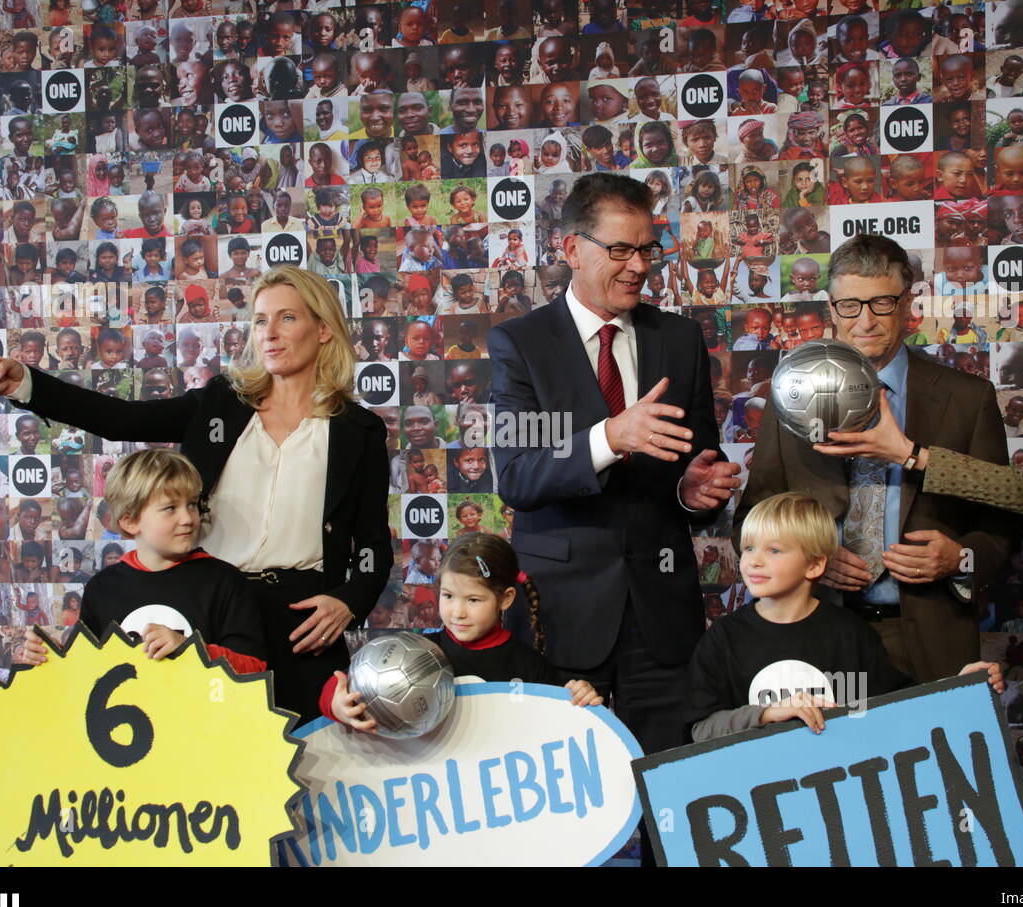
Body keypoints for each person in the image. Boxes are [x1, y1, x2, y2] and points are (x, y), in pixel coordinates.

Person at [0, 268, 392, 720]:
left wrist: (350, 601)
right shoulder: (221, 404)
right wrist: (28, 385)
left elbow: (373, 545)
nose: (269, 334)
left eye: (287, 319)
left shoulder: (358, 431)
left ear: (324, 329)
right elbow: (121, 420)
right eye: (259, 321)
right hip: (209, 608)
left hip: (304, 623)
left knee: (308, 765)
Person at [488, 173, 741, 765]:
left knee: (671, 794)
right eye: (619, 249)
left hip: (664, 617)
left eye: (647, 249)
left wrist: (697, 490)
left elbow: (696, 461)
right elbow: (520, 475)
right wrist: (609, 437)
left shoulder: (677, 339)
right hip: (562, 617)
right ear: (571, 248)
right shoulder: (522, 345)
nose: (638, 267)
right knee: (564, 809)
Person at [740, 234, 1023, 683]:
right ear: (831, 307)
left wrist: (961, 559)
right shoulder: (790, 396)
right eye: (850, 305)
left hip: (932, 637)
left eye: (882, 304)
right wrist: (805, 558)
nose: (865, 321)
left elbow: (1004, 523)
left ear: (908, 303)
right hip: (818, 630)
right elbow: (756, 512)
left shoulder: (967, 399)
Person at [686, 493, 1003, 742]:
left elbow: (896, 712)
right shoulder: (723, 639)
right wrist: (767, 713)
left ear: (814, 566)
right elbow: (701, 730)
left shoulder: (850, 633)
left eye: (774, 550)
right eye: (749, 548)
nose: (753, 561)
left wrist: (959, 687)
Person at [321, 533, 603, 729]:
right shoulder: (415, 653)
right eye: (448, 596)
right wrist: (336, 703)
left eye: (473, 600)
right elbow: (344, 686)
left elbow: (564, 723)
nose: (458, 612)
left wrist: (580, 696)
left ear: (505, 599)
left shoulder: (531, 667)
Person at [78, 449, 267, 674]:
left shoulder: (225, 582)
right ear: (130, 522)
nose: (188, 519)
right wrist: (45, 657)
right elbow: (85, 670)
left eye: (192, 504)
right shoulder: (101, 588)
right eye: (170, 508)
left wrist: (191, 649)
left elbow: (254, 669)